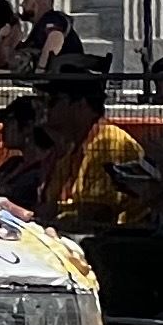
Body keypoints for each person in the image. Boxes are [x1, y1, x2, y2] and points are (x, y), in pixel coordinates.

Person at [34, 63, 151, 234]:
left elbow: (96, 215)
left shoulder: (109, 143)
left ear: (81, 104)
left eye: (53, 100)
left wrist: (51, 222)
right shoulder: (72, 150)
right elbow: (49, 207)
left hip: (116, 241)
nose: (46, 108)